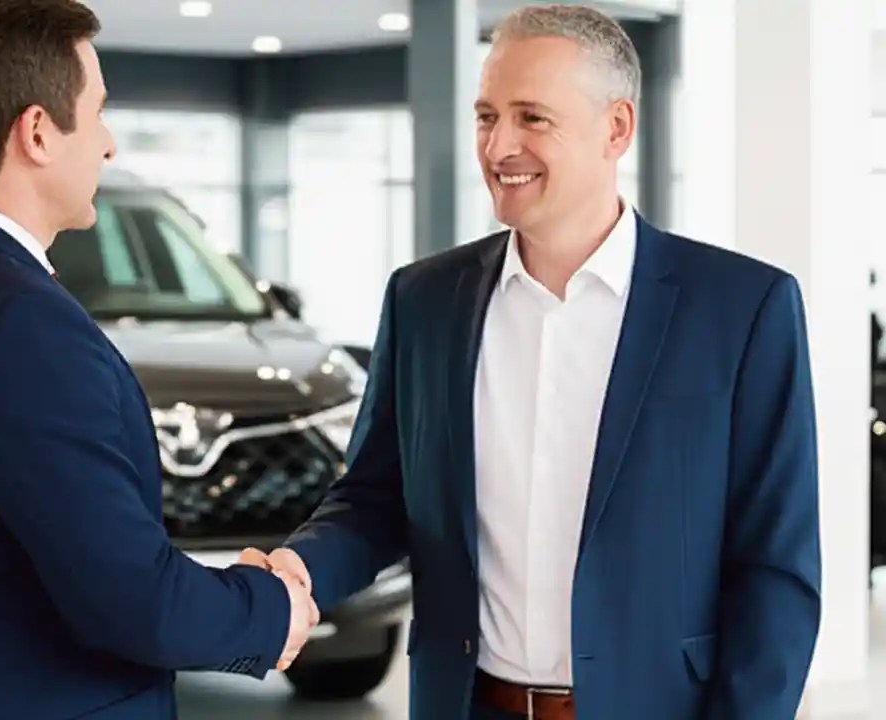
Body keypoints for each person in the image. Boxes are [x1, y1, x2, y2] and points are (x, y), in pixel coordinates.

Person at [242, 5, 820, 719]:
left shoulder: (741, 309)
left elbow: (775, 571)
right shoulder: (424, 300)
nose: (498, 146)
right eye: (486, 116)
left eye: (531, 118)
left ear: (617, 128)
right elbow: (374, 499)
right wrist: (294, 572)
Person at [0, 1, 316, 718]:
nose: (109, 144)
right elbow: (131, 604)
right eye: (96, 114)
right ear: (36, 133)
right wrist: (272, 608)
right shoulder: (20, 324)